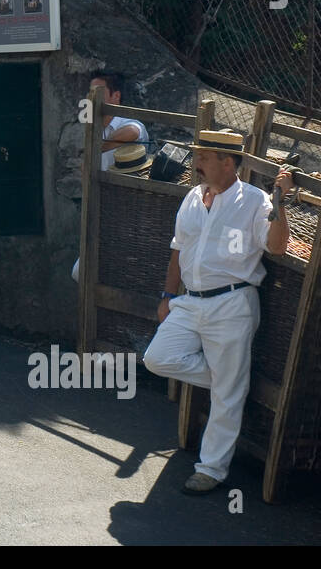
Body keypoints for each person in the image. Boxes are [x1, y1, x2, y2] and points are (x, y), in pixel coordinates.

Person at [143, 129, 292, 494]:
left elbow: (276, 247)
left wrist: (281, 201)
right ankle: (232, 383)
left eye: (204, 157)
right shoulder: (193, 197)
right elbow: (178, 248)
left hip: (232, 302)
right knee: (157, 359)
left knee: (226, 393)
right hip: (189, 301)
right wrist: (167, 294)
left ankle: (210, 469)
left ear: (228, 162)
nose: (196, 164)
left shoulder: (255, 201)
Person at [90, 71, 147, 171]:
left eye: (98, 93)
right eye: (91, 93)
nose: (92, 99)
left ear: (116, 96)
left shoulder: (127, 122)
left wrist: (96, 150)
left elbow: (132, 131)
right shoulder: (93, 126)